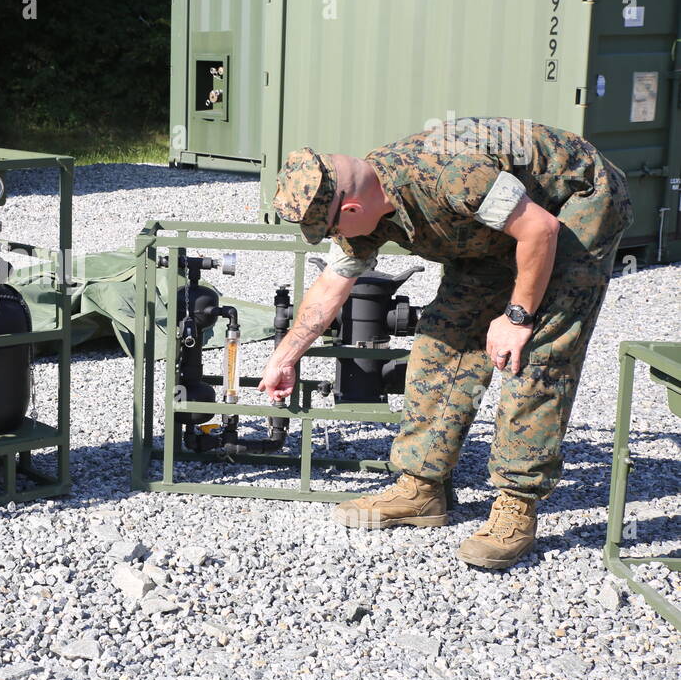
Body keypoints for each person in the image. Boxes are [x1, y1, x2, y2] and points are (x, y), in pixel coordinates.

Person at [261, 116, 633, 569]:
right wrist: (286, 356)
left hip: (575, 202)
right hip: (495, 231)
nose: (336, 239)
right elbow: (332, 284)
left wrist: (517, 317)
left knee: (535, 352)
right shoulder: (367, 199)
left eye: (333, 230)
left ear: (351, 209)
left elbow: (540, 230)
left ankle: (517, 503)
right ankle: (422, 487)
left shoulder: (451, 175)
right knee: (443, 338)